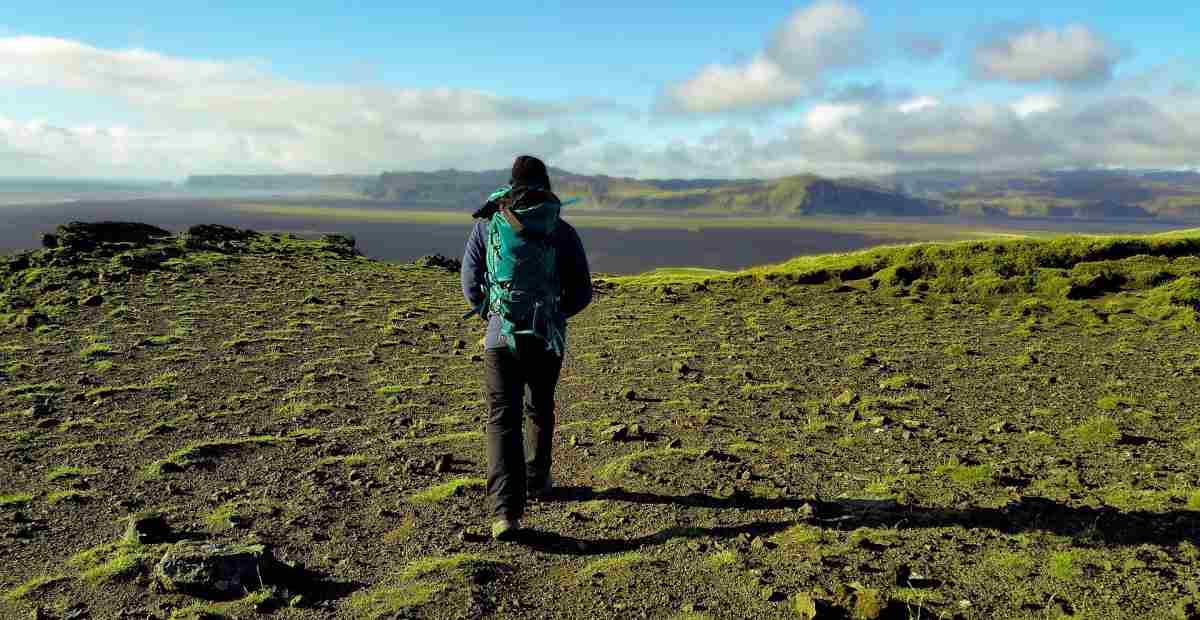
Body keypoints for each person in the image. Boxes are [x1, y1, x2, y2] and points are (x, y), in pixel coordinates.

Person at [460, 155, 592, 541]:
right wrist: (554, 316)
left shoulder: (488, 226)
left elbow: (469, 283)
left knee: (502, 418)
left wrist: (492, 312)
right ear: (547, 185)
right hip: (547, 337)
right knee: (540, 404)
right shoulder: (562, 230)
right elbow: (582, 292)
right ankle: (538, 477)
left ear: (510, 183)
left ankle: (506, 512)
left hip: (500, 335)